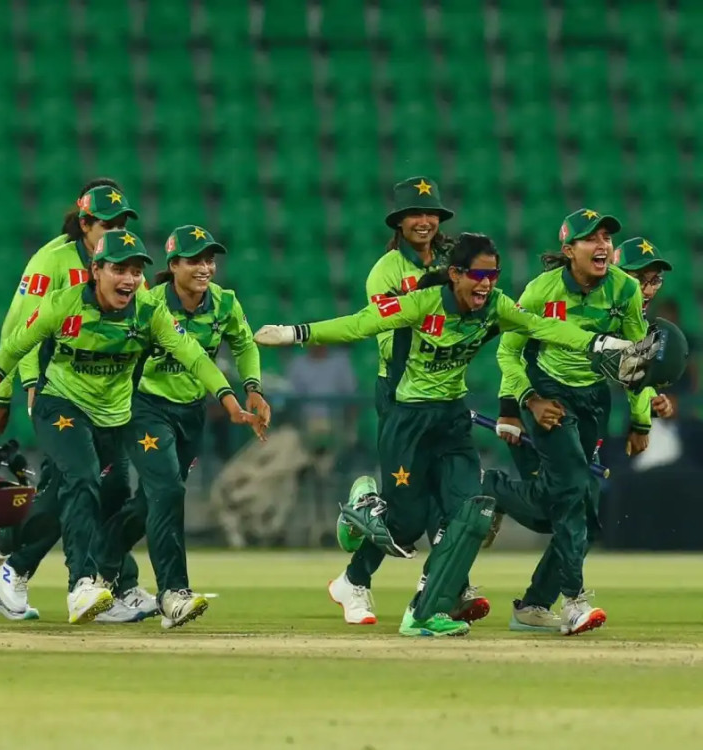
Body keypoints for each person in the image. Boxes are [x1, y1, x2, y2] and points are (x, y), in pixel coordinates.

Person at [255, 232, 633, 636]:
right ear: (454, 274)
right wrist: (295, 334)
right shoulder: (422, 303)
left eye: (493, 275)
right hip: (410, 422)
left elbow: (545, 328)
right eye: (478, 275)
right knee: (405, 525)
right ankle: (366, 505)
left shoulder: (495, 307)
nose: (487, 284)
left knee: (470, 512)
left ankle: (423, 612)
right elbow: (359, 325)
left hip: (452, 420)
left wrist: (601, 343)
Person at [0, 229, 263, 623]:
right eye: (119, 269)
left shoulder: (148, 311)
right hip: (66, 404)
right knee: (87, 479)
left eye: (135, 270)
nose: (128, 279)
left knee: (71, 495)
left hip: (114, 414)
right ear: (95, 270)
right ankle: (88, 586)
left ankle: (8, 542)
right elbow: (13, 349)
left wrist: (231, 399)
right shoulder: (65, 304)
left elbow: (194, 356)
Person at [0, 181, 154, 624]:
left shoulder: (122, 265)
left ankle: (11, 554)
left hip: (107, 398)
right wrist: (15, 390)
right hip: (54, 389)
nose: (115, 231)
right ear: (84, 223)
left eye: (122, 223)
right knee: (89, 484)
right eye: (107, 224)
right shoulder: (51, 261)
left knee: (81, 489)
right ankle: (107, 583)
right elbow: (21, 331)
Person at [484, 211, 671, 635]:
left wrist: (640, 422)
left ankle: (532, 604)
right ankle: (573, 602)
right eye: (591, 239)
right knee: (572, 492)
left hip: (593, 401)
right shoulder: (540, 290)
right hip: (549, 395)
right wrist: (528, 400)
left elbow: (635, 358)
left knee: (576, 506)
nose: (602, 245)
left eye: (606, 237)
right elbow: (506, 353)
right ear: (569, 252)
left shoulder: (623, 288)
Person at [331, 176, 488, 627]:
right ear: (398, 222)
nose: (424, 221)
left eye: (431, 214)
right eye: (415, 215)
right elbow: (394, 324)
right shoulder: (385, 271)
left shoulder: (450, 260)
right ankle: (360, 557)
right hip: (400, 391)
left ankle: (445, 588)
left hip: (442, 393)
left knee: (450, 501)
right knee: (410, 511)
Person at [100, 225, 270, 628]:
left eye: (210, 260)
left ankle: (100, 560)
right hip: (145, 406)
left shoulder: (225, 304)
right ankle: (173, 593)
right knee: (168, 490)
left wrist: (252, 388)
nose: (205, 267)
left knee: (152, 501)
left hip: (191, 412)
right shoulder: (147, 302)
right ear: (173, 265)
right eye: (195, 260)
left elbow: (244, 344)